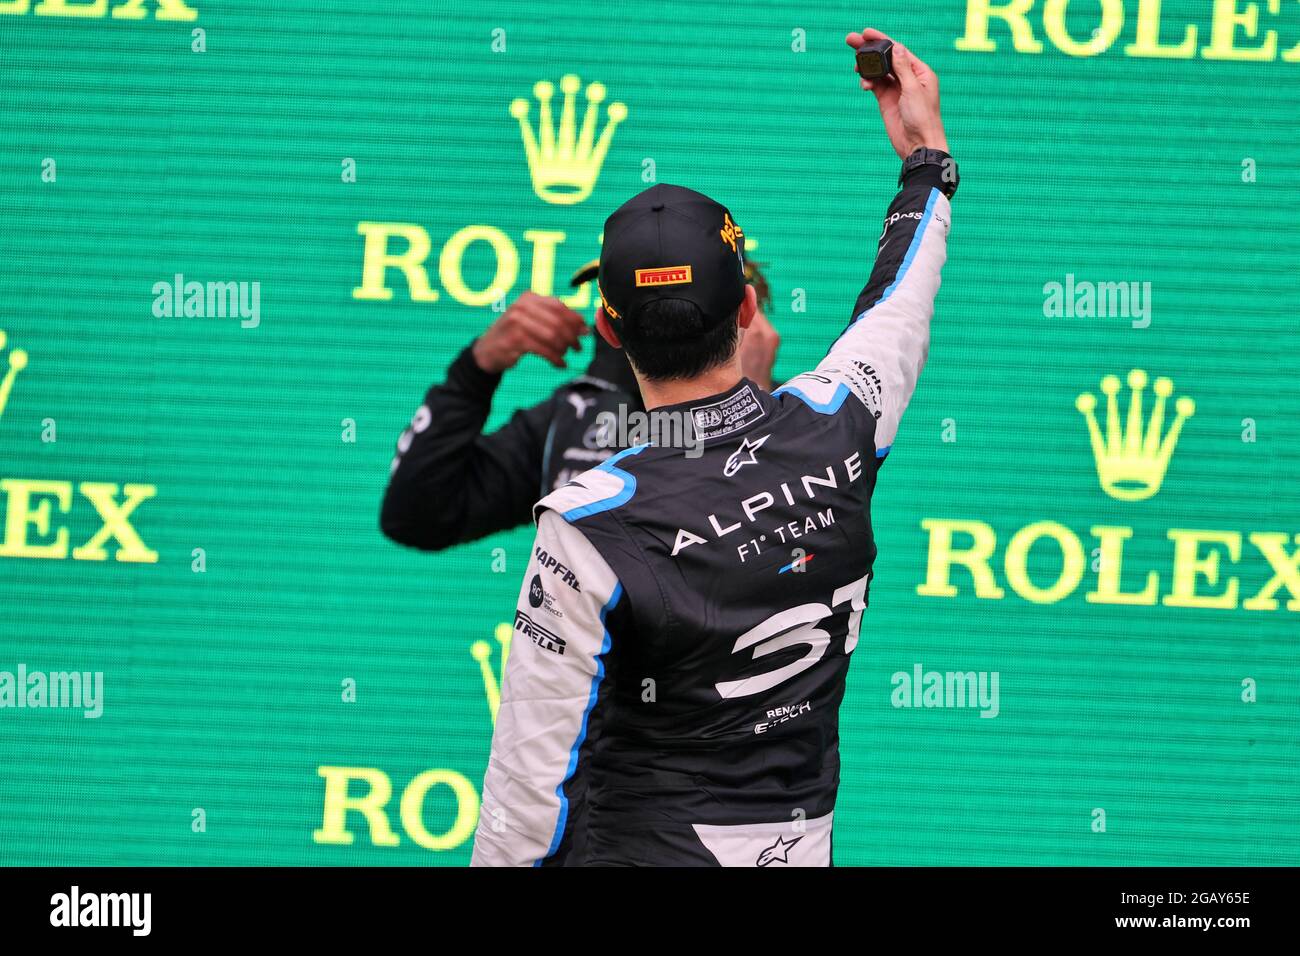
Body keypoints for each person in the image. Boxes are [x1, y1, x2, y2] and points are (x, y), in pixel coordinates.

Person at [470, 27, 956, 868]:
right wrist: (926, 156)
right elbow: (899, 302)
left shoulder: (590, 524)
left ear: (609, 330)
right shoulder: (841, 425)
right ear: (744, 311)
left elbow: (524, 801)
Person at [379, 262, 779, 551]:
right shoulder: (577, 415)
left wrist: (751, 401)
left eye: (663, 299)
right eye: (620, 301)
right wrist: (475, 371)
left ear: (744, 315)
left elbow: (789, 557)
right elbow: (417, 517)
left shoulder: (793, 416)